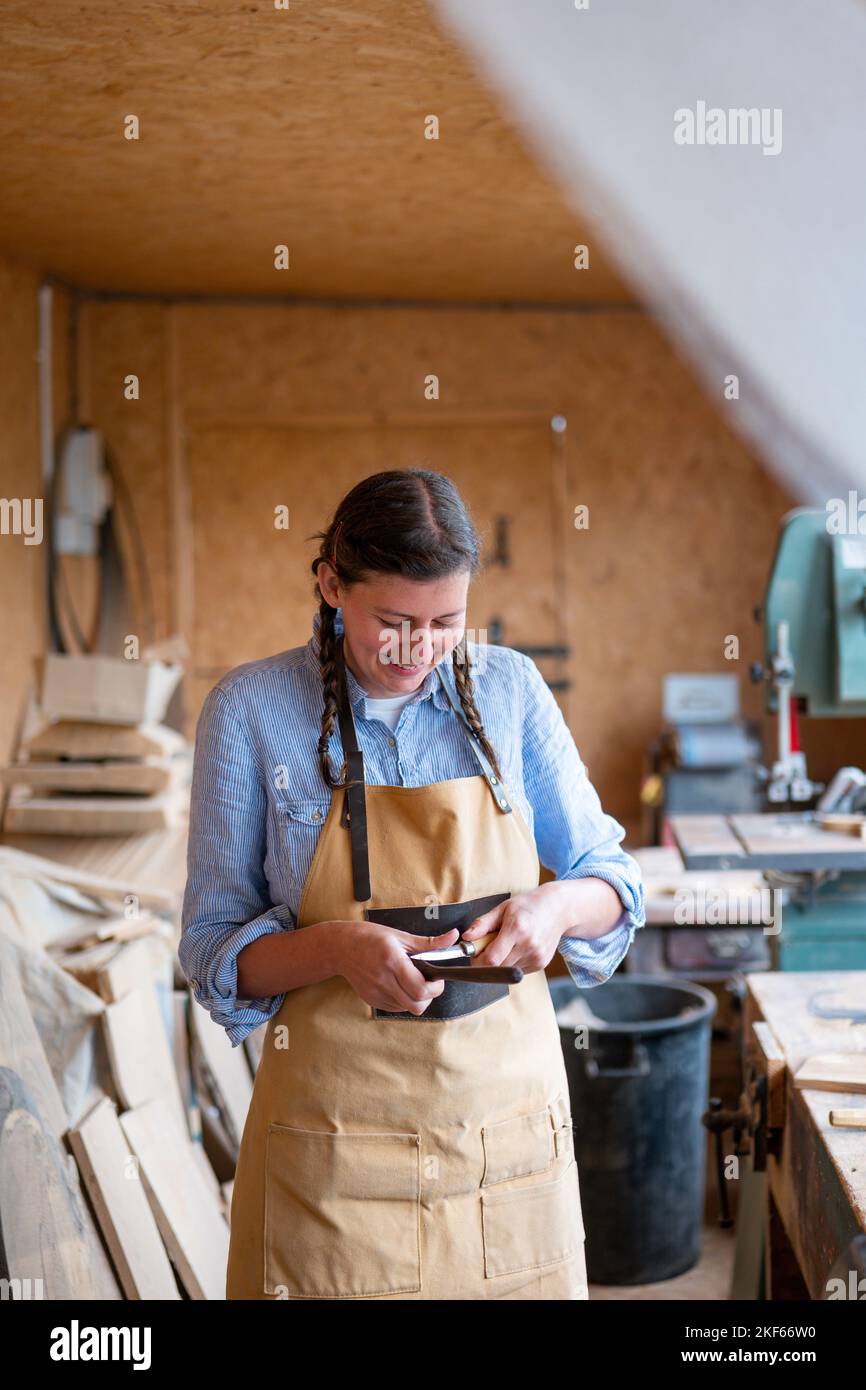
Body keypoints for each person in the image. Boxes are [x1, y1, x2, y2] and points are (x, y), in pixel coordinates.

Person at [180, 467, 645, 1300]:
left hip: (500, 1145)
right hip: (332, 1154)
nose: (417, 650)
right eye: (391, 622)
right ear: (331, 584)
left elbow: (612, 880)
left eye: (444, 623)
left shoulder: (509, 692)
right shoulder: (249, 712)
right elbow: (214, 956)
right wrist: (333, 948)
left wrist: (555, 908)